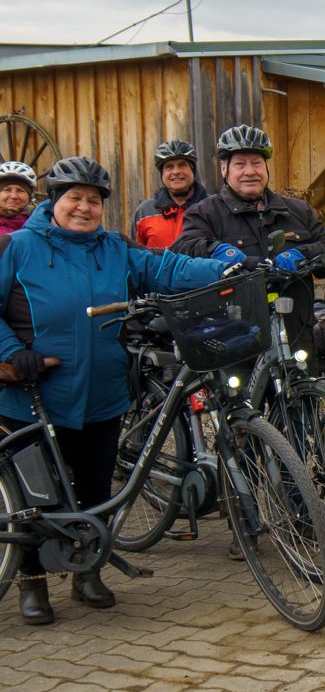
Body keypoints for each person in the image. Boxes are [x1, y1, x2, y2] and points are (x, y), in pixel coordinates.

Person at [0, 157, 225, 624]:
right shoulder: (18, 247)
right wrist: (8, 351)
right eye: (74, 198)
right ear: (54, 202)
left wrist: (221, 269)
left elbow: (168, 268)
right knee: (32, 497)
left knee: (97, 487)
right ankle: (33, 583)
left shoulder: (115, 248)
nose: (83, 208)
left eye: (93, 200)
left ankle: (88, 572)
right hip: (32, 394)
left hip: (102, 393)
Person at [171, 124, 325, 356]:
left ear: (266, 168)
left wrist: (302, 254)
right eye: (240, 164)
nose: (249, 171)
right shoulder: (204, 213)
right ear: (224, 169)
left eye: (256, 163)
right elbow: (182, 251)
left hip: (297, 338)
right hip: (238, 342)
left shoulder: (297, 211)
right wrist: (217, 250)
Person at [132, 139, 209, 248]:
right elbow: (135, 257)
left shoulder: (212, 208)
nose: (176, 171)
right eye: (169, 167)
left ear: (193, 170)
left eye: (182, 165)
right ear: (162, 174)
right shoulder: (144, 212)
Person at [0, 161, 37, 234]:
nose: (14, 196)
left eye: (20, 191)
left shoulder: (42, 223)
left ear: (30, 196)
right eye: (7, 190)